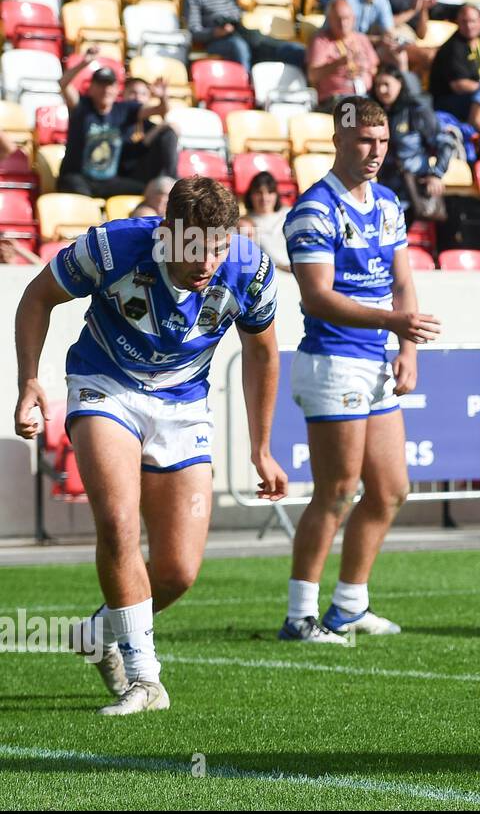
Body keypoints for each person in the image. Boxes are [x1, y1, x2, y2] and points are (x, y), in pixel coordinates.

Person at [12, 176, 286, 714]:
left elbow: (262, 354)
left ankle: (98, 632)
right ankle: (144, 680)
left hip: (183, 405)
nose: (206, 262)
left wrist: (262, 448)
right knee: (118, 522)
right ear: (165, 233)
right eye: (194, 248)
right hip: (105, 384)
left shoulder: (250, 269)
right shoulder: (112, 247)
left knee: (179, 571)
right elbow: (37, 297)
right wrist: (29, 380)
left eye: (218, 248)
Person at [279, 95, 441, 644]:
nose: (376, 151)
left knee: (391, 489)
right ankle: (300, 616)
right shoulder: (314, 209)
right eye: (365, 141)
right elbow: (317, 297)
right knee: (336, 491)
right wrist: (394, 322)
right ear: (339, 141)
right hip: (333, 361)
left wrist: (408, 348)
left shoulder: (389, 202)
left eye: (383, 141)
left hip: (374, 361)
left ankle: (348, 606)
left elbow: (404, 282)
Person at [58, 70, 176, 199]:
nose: (105, 90)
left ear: (117, 89)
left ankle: (172, 188)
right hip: (78, 178)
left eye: (109, 85)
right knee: (81, 197)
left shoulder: (124, 110)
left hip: (108, 181)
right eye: (100, 85)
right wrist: (85, 62)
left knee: (147, 191)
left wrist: (163, 97)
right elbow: (63, 84)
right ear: (91, 88)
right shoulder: (81, 106)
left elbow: (161, 110)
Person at [372, 64, 457, 222]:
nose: (381, 90)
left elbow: (445, 143)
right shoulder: (376, 114)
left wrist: (436, 174)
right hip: (385, 189)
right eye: (378, 85)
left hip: (414, 191)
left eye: (386, 84)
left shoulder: (416, 111)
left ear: (400, 84)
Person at [307, 0, 381, 111]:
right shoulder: (321, 41)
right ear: (330, 20)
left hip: (365, 96)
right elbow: (312, 75)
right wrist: (337, 64)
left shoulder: (362, 39)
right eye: (338, 19)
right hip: (337, 100)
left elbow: (375, 68)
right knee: (353, 116)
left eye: (346, 18)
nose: (342, 23)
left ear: (353, 19)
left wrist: (363, 69)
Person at [428, 4, 480, 122]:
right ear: (457, 22)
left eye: (472, 21)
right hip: (449, 101)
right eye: (464, 21)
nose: (469, 26)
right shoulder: (452, 48)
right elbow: (459, 86)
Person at [243, 171, 290, 270]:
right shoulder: (244, 223)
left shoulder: (289, 214)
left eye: (270, 192)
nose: (264, 198)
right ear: (250, 195)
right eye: (259, 193)